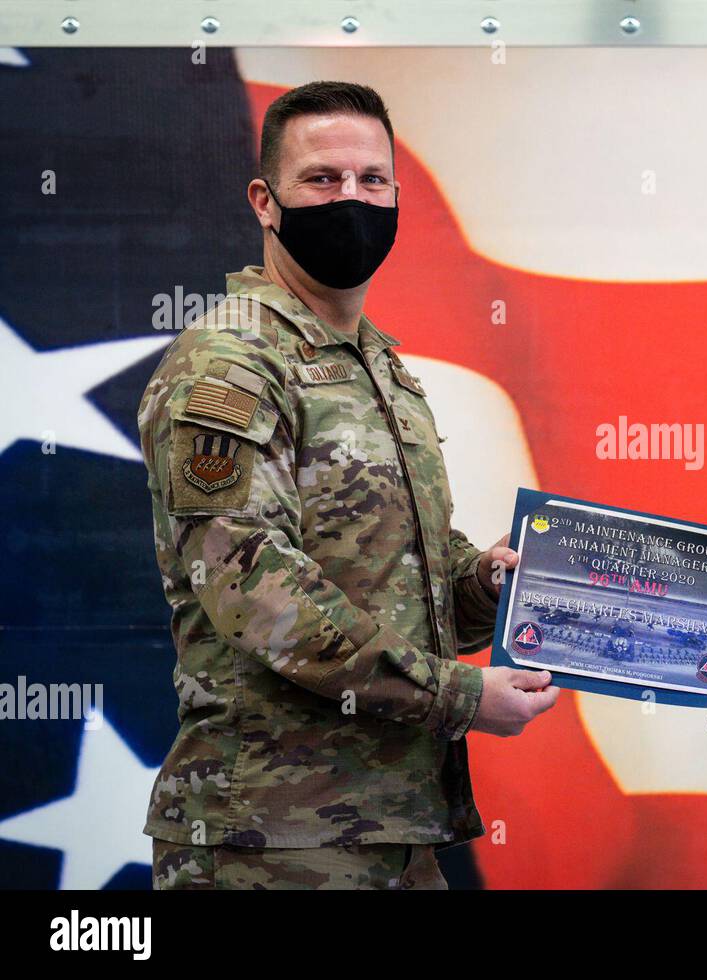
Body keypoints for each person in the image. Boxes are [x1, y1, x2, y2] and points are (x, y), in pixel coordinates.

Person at [139, 81, 558, 890]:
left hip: (393, 828)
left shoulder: (379, 364)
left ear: (399, 195)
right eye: (322, 179)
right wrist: (459, 695)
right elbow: (254, 587)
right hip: (272, 837)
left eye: (372, 180)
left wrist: (486, 586)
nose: (352, 199)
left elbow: (396, 574)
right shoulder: (231, 364)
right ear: (266, 201)